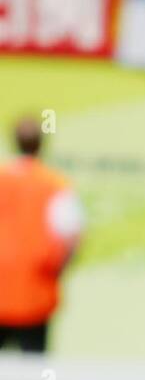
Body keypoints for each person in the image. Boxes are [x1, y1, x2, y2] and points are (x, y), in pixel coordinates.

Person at [0, 116, 84, 352]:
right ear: (41, 143)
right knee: (34, 375)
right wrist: (56, 271)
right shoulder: (54, 184)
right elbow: (72, 235)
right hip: (35, 293)